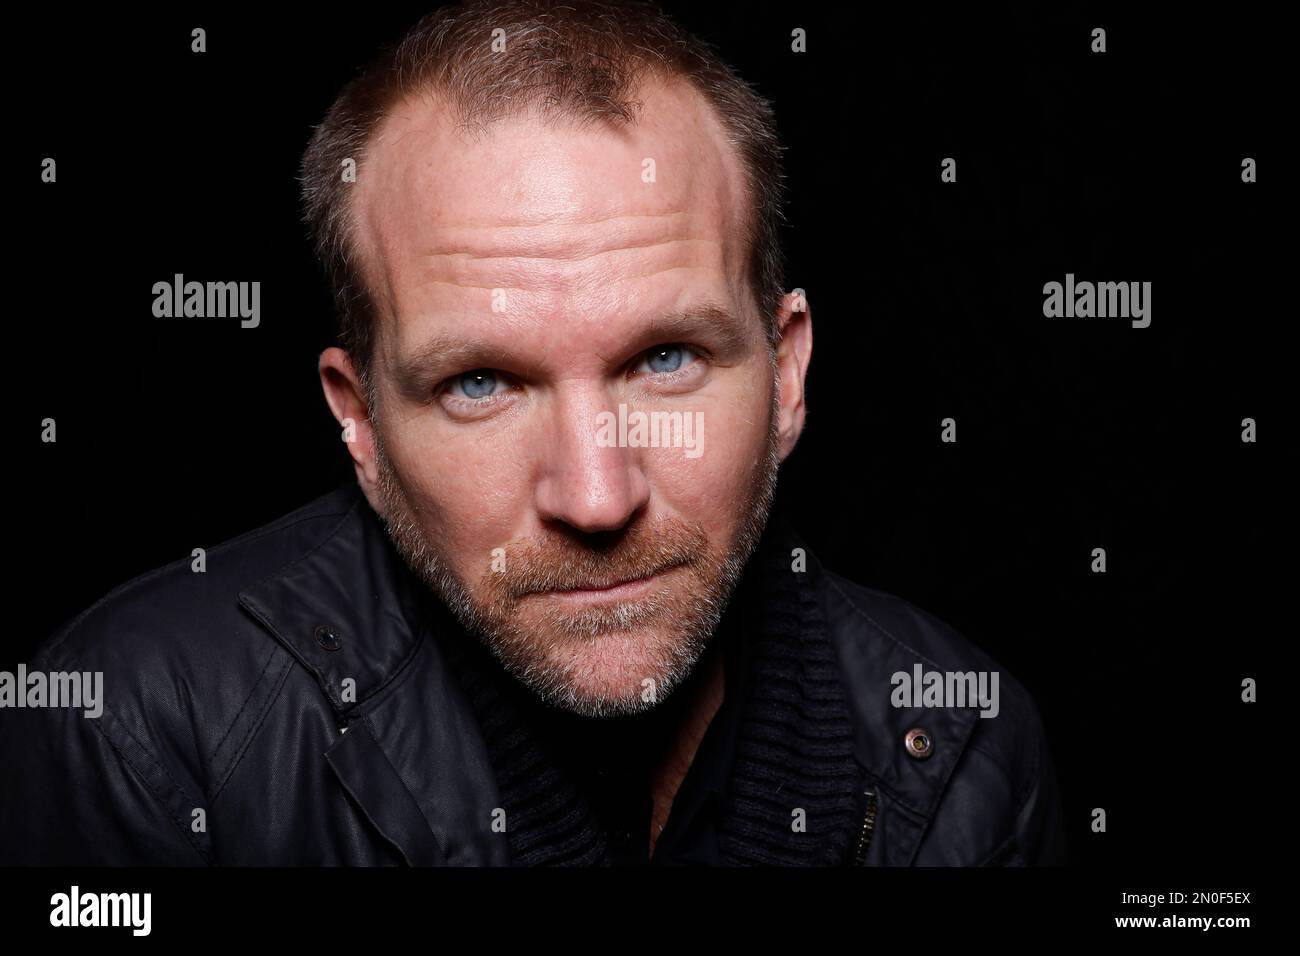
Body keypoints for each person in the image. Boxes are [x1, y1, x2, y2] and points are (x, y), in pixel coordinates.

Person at [0, 0, 1066, 866]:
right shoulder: (143, 735)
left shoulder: (965, 746)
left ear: (786, 372)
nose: (596, 497)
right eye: (480, 382)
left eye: (665, 359)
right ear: (359, 419)